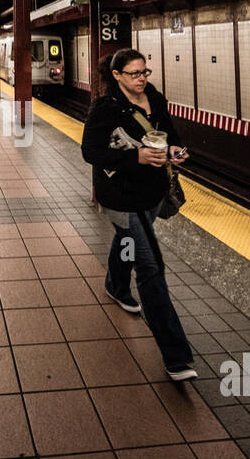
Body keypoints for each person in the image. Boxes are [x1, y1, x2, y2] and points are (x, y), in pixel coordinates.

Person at [80, 48, 198, 382]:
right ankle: (177, 357)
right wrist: (137, 159)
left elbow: (168, 130)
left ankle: (116, 285)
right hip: (120, 196)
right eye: (134, 73)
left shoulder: (153, 97)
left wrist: (174, 148)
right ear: (117, 76)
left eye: (144, 71)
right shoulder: (105, 109)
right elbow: (90, 151)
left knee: (128, 240)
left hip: (151, 191)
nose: (142, 78)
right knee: (150, 267)